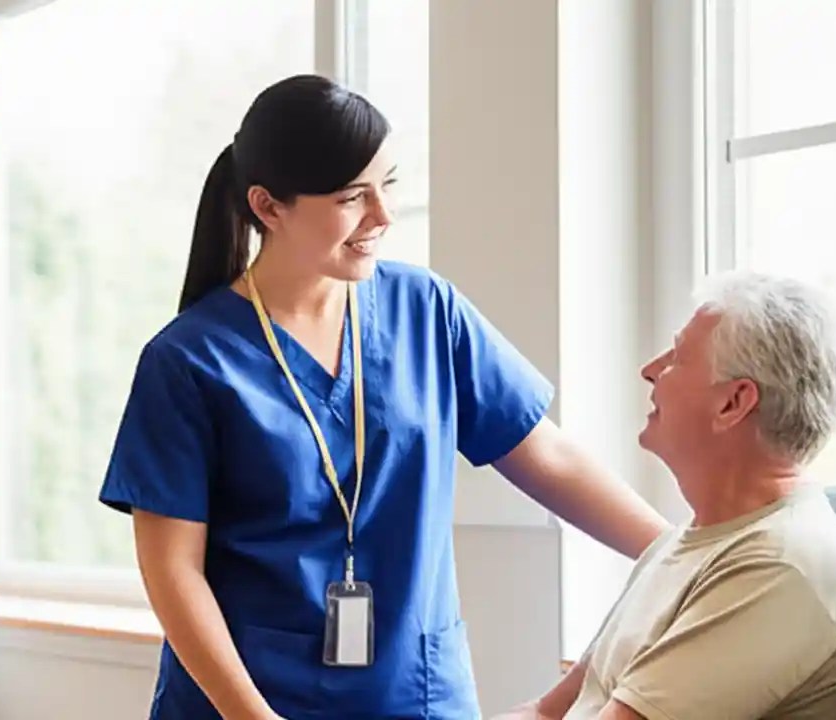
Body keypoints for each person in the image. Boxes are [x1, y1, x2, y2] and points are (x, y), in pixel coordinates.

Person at [99, 74, 668, 719]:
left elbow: (549, 458)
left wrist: (681, 551)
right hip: (250, 699)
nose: (383, 215)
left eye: (388, 185)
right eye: (352, 196)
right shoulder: (187, 363)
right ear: (268, 206)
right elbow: (173, 570)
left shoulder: (427, 310)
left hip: (416, 693)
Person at [497, 272, 836, 720]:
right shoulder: (682, 542)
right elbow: (548, 712)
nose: (650, 371)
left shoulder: (783, 568)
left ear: (733, 403)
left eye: (677, 357)